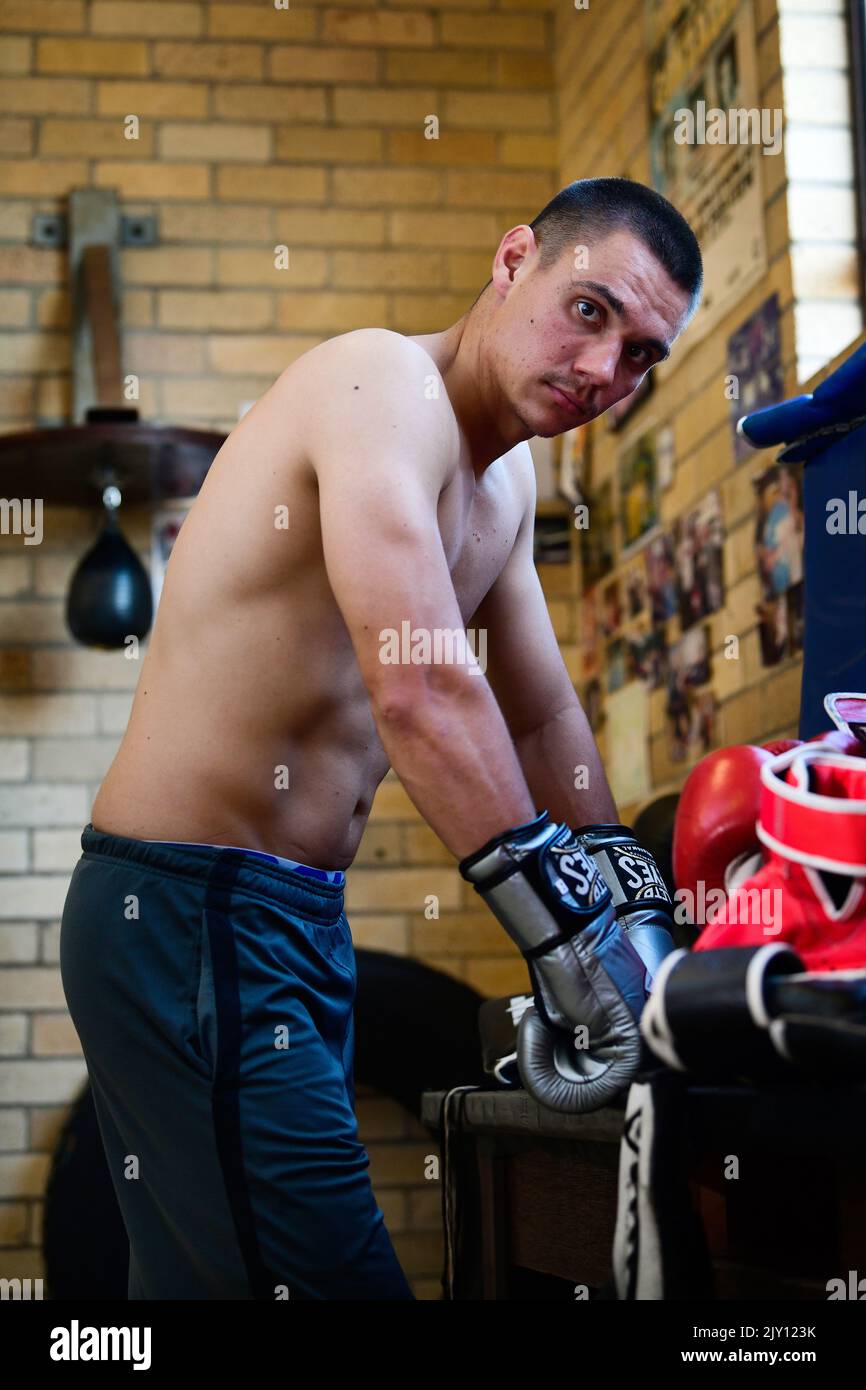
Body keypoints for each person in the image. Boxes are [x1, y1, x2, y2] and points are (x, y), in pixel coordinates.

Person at [59, 177, 702, 1300]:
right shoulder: (377, 383)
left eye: (642, 354)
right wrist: (563, 942)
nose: (605, 371)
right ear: (513, 261)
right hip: (188, 910)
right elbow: (418, 681)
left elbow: (541, 711)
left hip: (286, 919)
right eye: (589, 310)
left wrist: (631, 916)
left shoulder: (506, 479)